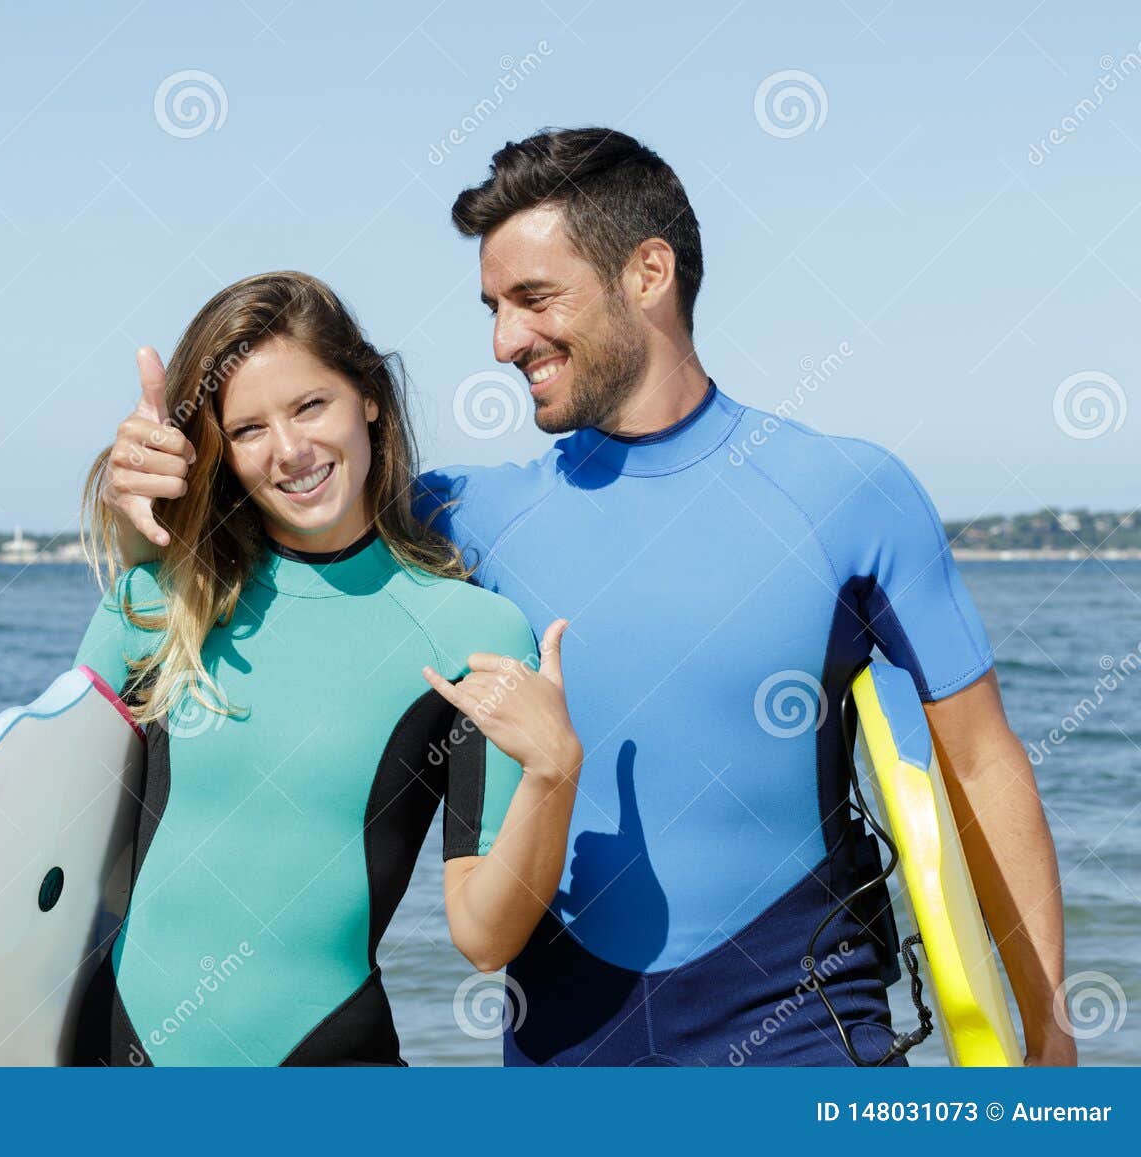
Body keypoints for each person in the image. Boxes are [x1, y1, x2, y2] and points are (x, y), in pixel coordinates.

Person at [96, 130, 1076, 1067]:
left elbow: (981, 766)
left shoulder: (846, 495)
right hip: (561, 1043)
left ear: (648, 273)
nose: (500, 339)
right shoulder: (462, 519)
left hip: (799, 1029)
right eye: (490, 305)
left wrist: (1045, 1028)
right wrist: (145, 492)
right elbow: (283, 524)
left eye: (530, 298)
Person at [71, 270, 584, 1066]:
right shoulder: (164, 605)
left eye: (311, 405)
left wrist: (554, 772)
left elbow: (487, 937)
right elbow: (51, 849)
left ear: (369, 397)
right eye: (247, 430)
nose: (290, 450)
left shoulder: (470, 630)